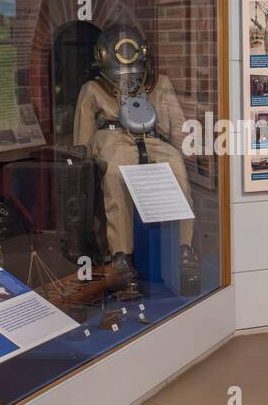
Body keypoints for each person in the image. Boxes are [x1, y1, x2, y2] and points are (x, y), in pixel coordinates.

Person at [73, 23, 200, 295]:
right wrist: (81, 162)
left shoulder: (159, 84)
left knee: (176, 169)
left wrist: (185, 150)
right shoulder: (93, 90)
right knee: (116, 174)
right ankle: (121, 255)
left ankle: (183, 249)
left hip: (154, 139)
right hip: (112, 139)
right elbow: (82, 140)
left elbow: (177, 125)